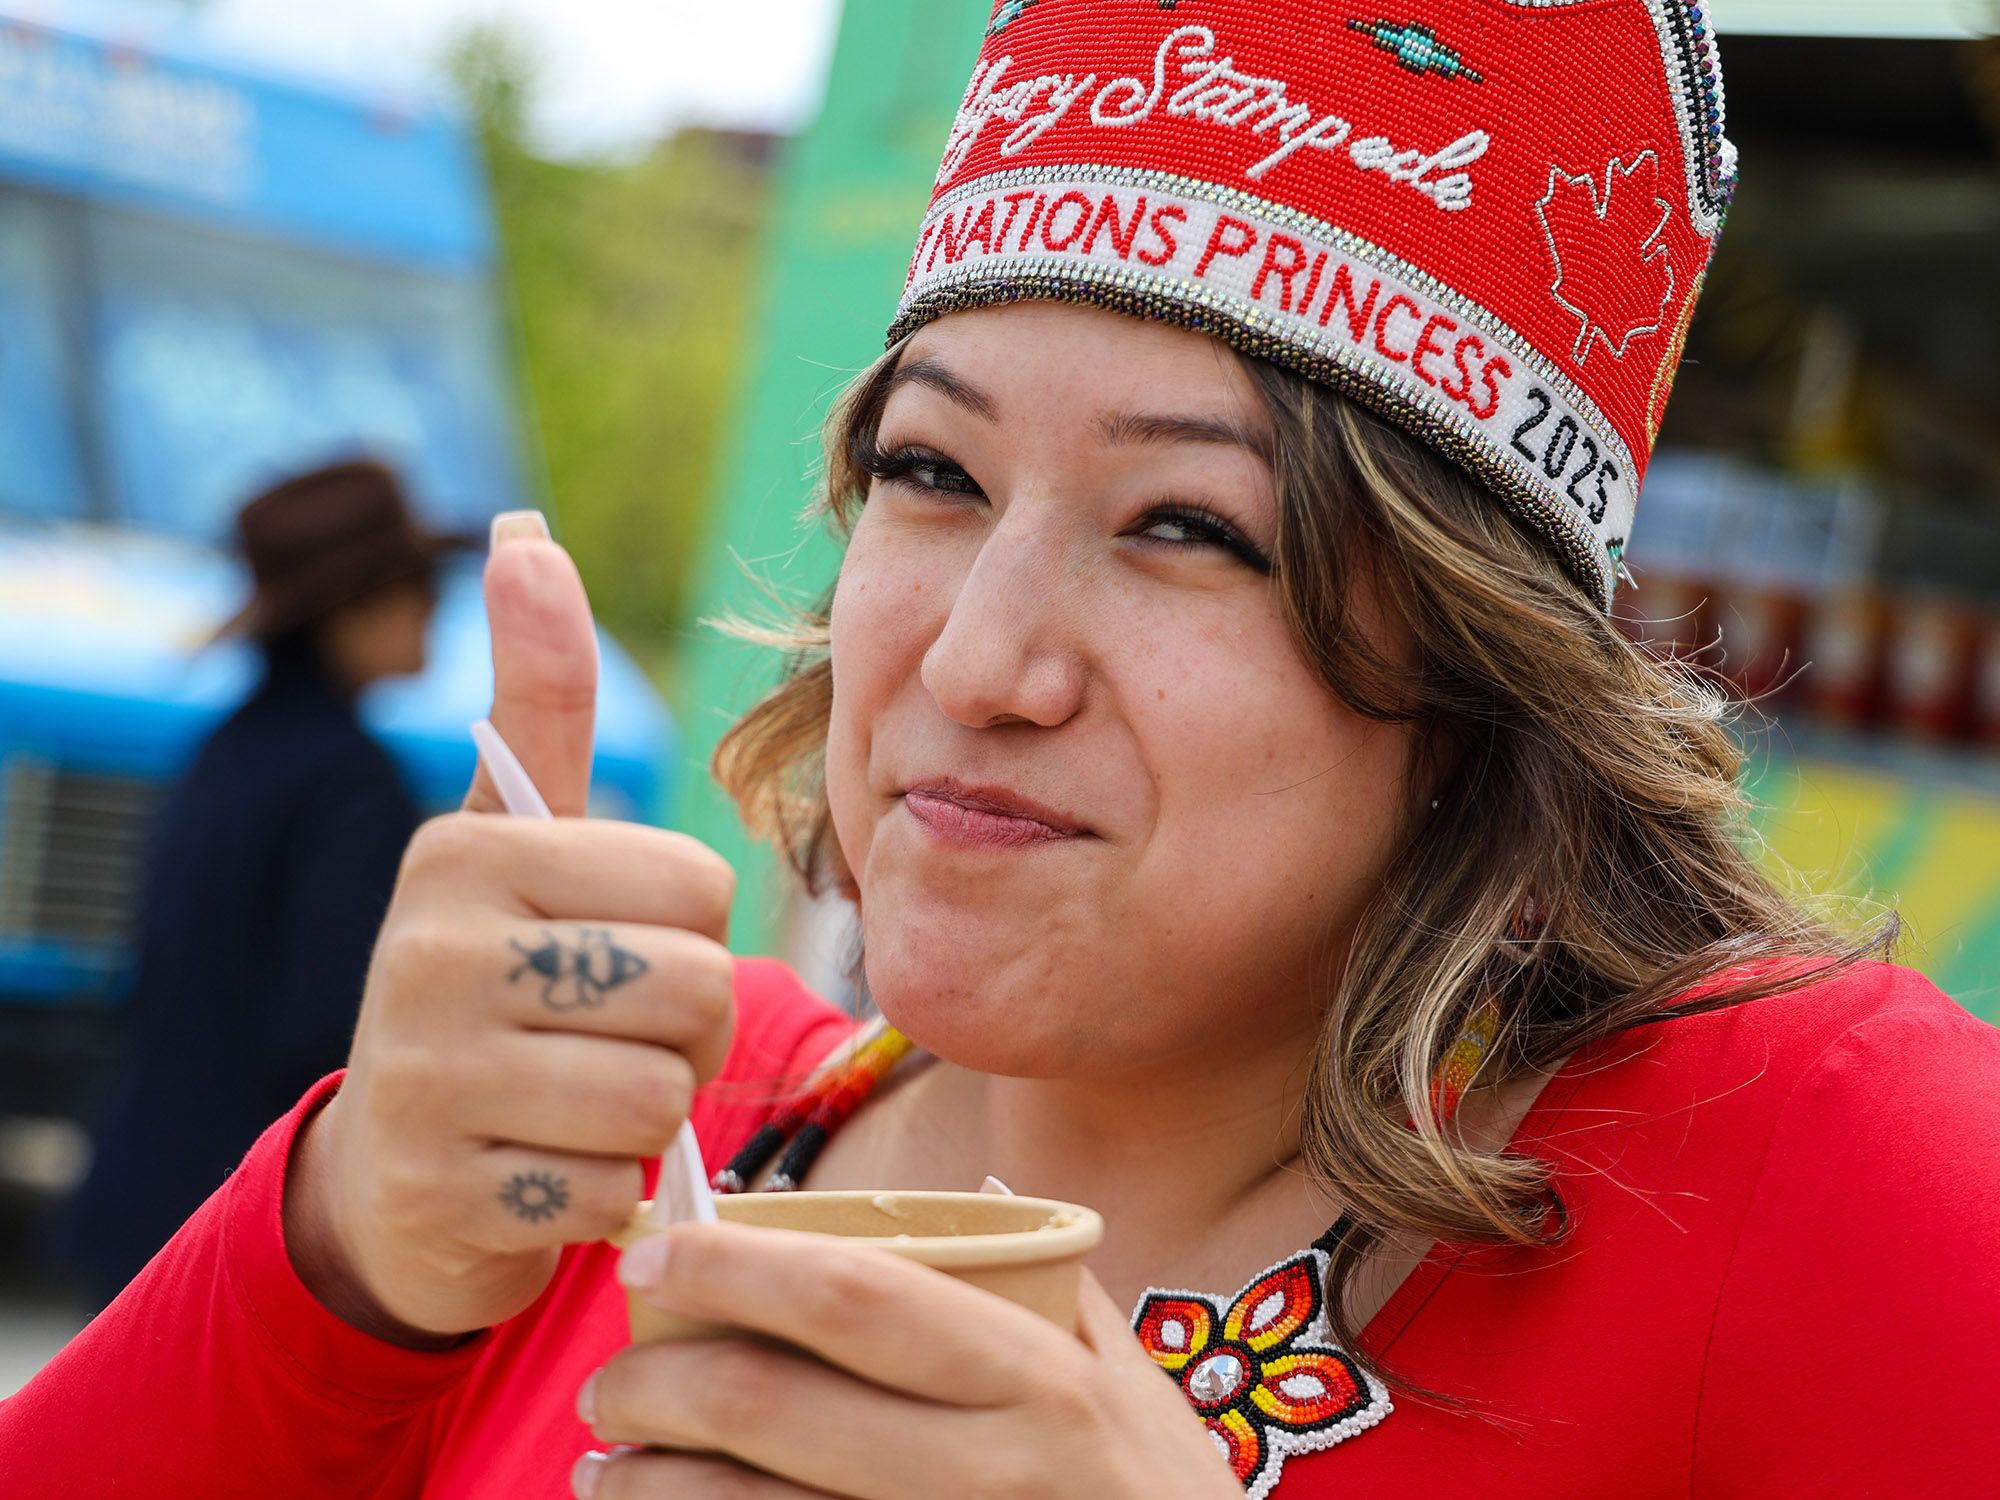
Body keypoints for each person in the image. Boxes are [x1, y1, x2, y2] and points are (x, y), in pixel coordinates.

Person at [8, 4, 1999, 1496]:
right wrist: (345, 1240)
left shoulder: (1826, 1178)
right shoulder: (625, 1125)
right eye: (933, 472)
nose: (974, 660)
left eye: (1187, 526)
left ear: (1482, 663)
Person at [60, 460, 455, 1306]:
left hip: (143, 1181)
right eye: (423, 587)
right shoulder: (350, 782)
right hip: (237, 1224)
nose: (437, 611)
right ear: (353, 610)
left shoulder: (226, 748)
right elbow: (333, 1026)